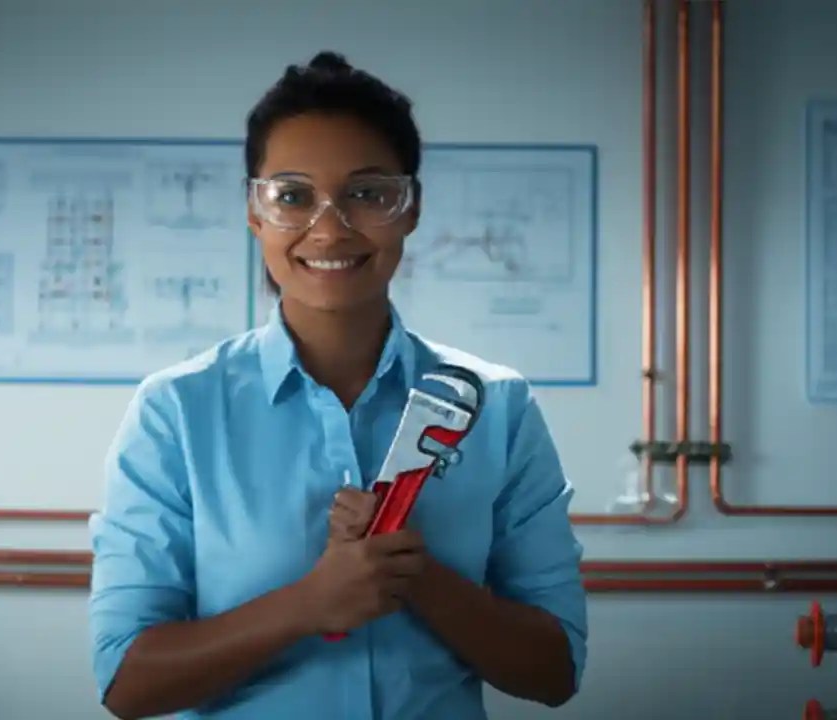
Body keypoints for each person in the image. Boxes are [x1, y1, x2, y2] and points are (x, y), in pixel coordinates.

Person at [88, 50, 588, 720]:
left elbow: (554, 672)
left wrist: (420, 580)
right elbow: (127, 683)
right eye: (292, 196)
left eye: (367, 193)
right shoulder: (176, 412)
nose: (330, 226)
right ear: (254, 212)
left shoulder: (496, 408)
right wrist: (309, 604)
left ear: (410, 208)